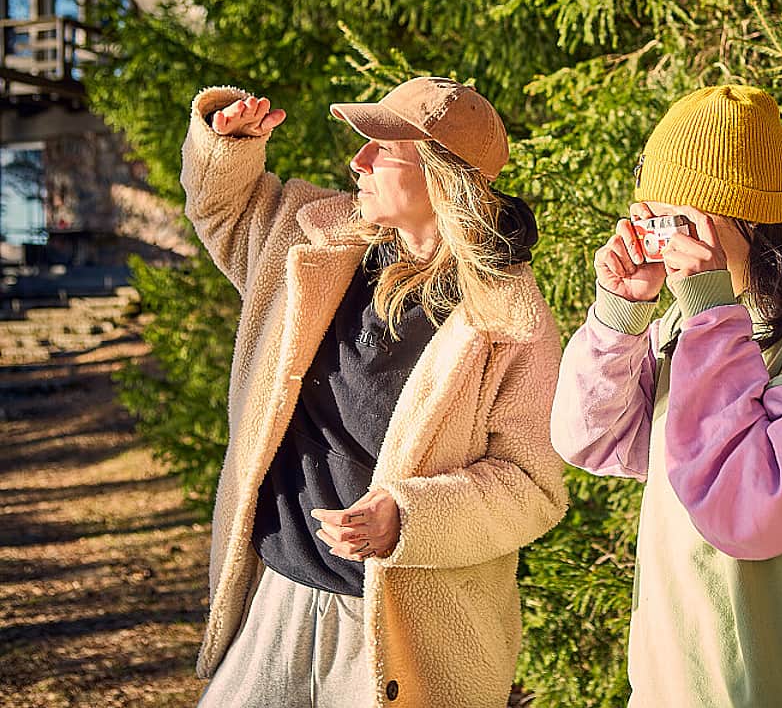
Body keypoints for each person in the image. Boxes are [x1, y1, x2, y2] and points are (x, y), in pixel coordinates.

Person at [181, 76, 568, 708]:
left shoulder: (511, 320)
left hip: (403, 633)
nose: (356, 161)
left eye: (381, 149)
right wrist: (231, 144)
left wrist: (408, 517)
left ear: (443, 176)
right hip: (277, 595)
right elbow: (224, 210)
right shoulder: (311, 239)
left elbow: (532, 486)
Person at [551, 85, 782, 707]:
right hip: (669, 685)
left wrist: (709, 317)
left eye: (672, 223)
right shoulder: (691, 317)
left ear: (745, 218)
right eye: (643, 219)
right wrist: (621, 314)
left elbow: (758, 509)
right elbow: (590, 441)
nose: (655, 241)